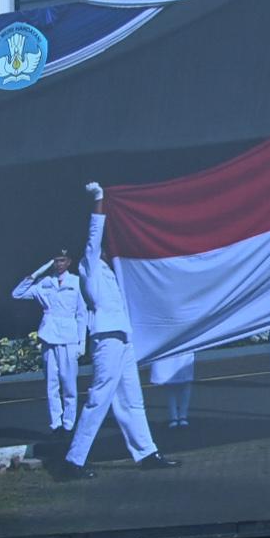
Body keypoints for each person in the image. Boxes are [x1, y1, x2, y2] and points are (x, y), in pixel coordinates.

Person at [54, 183, 178, 480]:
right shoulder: (90, 266)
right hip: (107, 337)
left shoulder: (113, 271)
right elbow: (94, 235)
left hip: (123, 338)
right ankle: (73, 461)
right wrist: (100, 200)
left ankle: (146, 453)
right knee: (99, 398)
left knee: (132, 400)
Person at [11, 242, 86, 432]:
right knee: (51, 384)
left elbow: (81, 314)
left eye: (62, 260)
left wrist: (82, 342)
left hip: (69, 338)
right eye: (56, 260)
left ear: (69, 262)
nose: (59, 264)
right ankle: (56, 424)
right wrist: (38, 272)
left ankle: (69, 424)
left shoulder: (76, 282)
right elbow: (17, 294)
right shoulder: (45, 283)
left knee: (69, 384)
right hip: (48, 336)